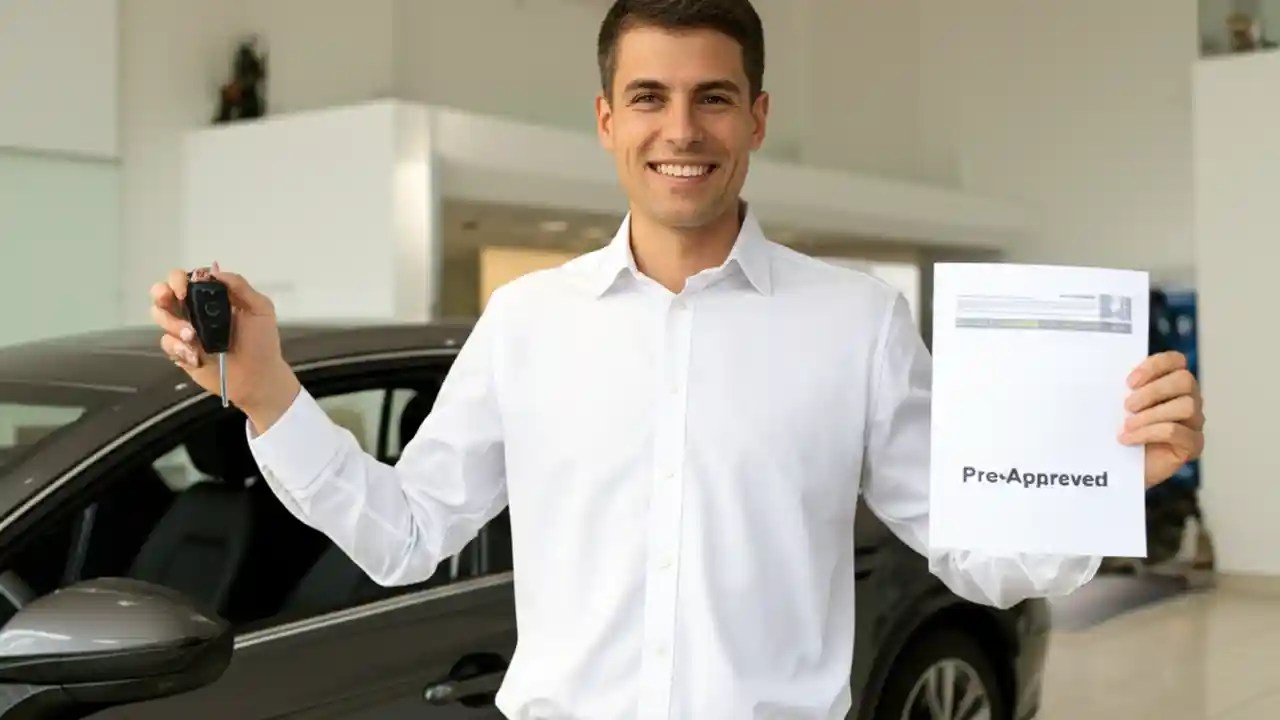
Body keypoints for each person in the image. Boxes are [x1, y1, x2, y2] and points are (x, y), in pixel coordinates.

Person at [150, 1, 1206, 717]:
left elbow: (972, 553)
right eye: (648, 97)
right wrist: (269, 393)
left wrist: (1103, 483)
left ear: (755, 116)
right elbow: (407, 537)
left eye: (711, 96)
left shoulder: (855, 323)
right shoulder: (523, 325)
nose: (680, 128)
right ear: (608, 120)